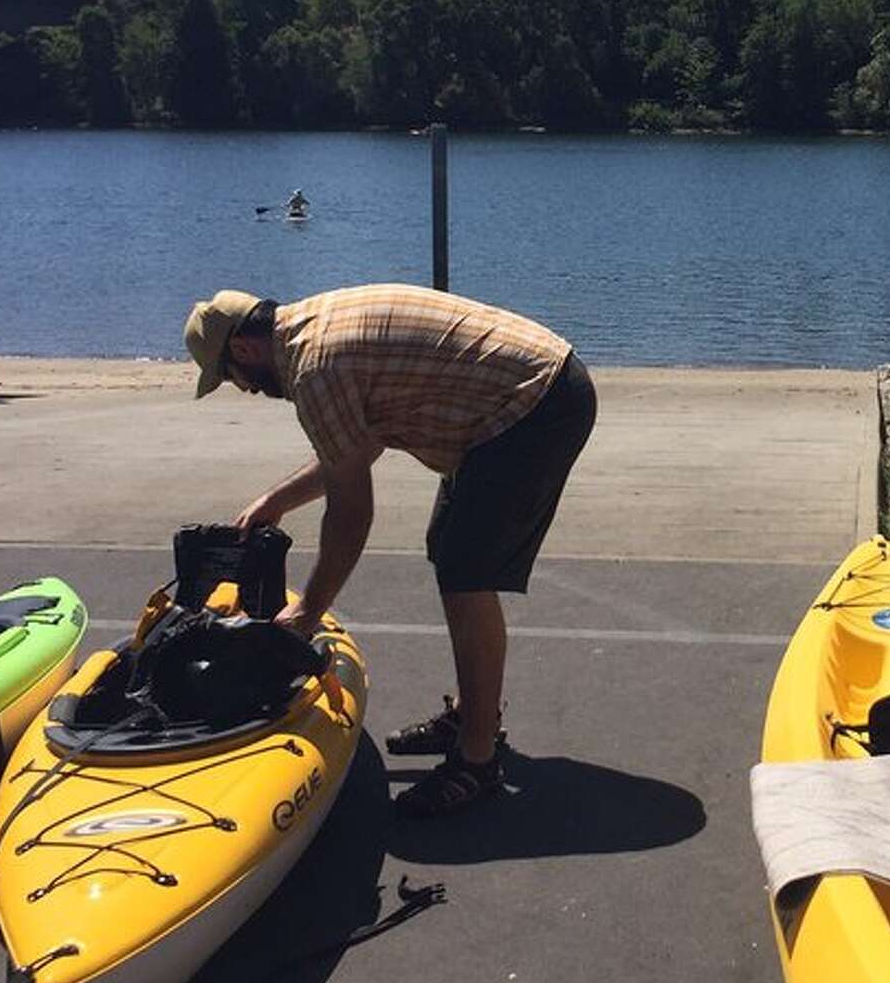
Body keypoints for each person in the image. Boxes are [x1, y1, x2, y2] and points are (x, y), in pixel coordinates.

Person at [185, 284, 596, 816]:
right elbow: (358, 446)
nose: (243, 390)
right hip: (529, 392)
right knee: (450, 549)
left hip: (535, 404)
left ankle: (478, 759)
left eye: (231, 378)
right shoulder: (313, 329)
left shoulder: (314, 371)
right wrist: (278, 501)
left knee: (466, 572)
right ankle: (475, 715)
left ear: (244, 350)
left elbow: (352, 512)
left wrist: (309, 611)